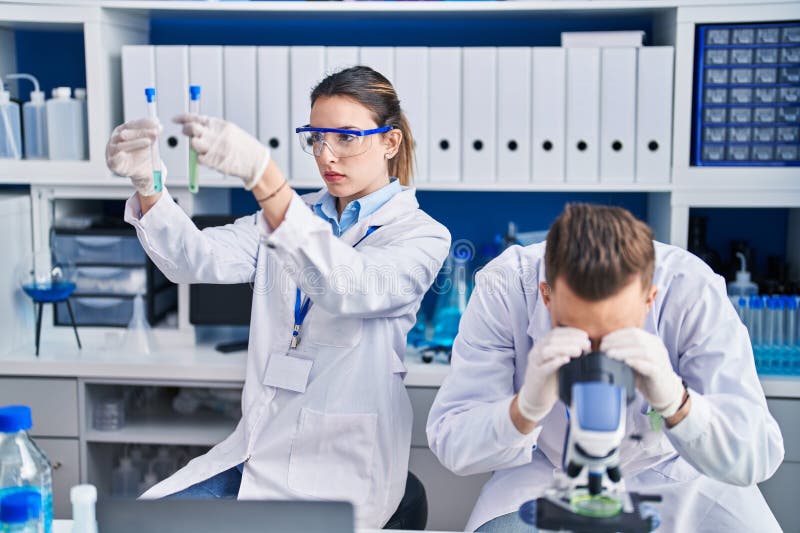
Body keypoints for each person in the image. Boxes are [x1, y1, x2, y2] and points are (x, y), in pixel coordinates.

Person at [105, 66, 451, 528]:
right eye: (316, 138)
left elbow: (350, 287)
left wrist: (265, 178)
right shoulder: (294, 212)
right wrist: (149, 188)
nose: (327, 155)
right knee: (144, 522)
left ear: (390, 142)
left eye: (347, 137)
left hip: (343, 469)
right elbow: (195, 259)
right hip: (258, 450)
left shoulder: (422, 236)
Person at [427, 204, 784, 532]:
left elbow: (757, 455)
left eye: (614, 331)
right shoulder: (506, 288)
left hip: (676, 473)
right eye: (576, 329)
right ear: (546, 295)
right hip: (549, 472)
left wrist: (679, 403)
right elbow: (454, 444)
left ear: (649, 298)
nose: (595, 353)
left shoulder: (691, 289)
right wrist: (524, 410)